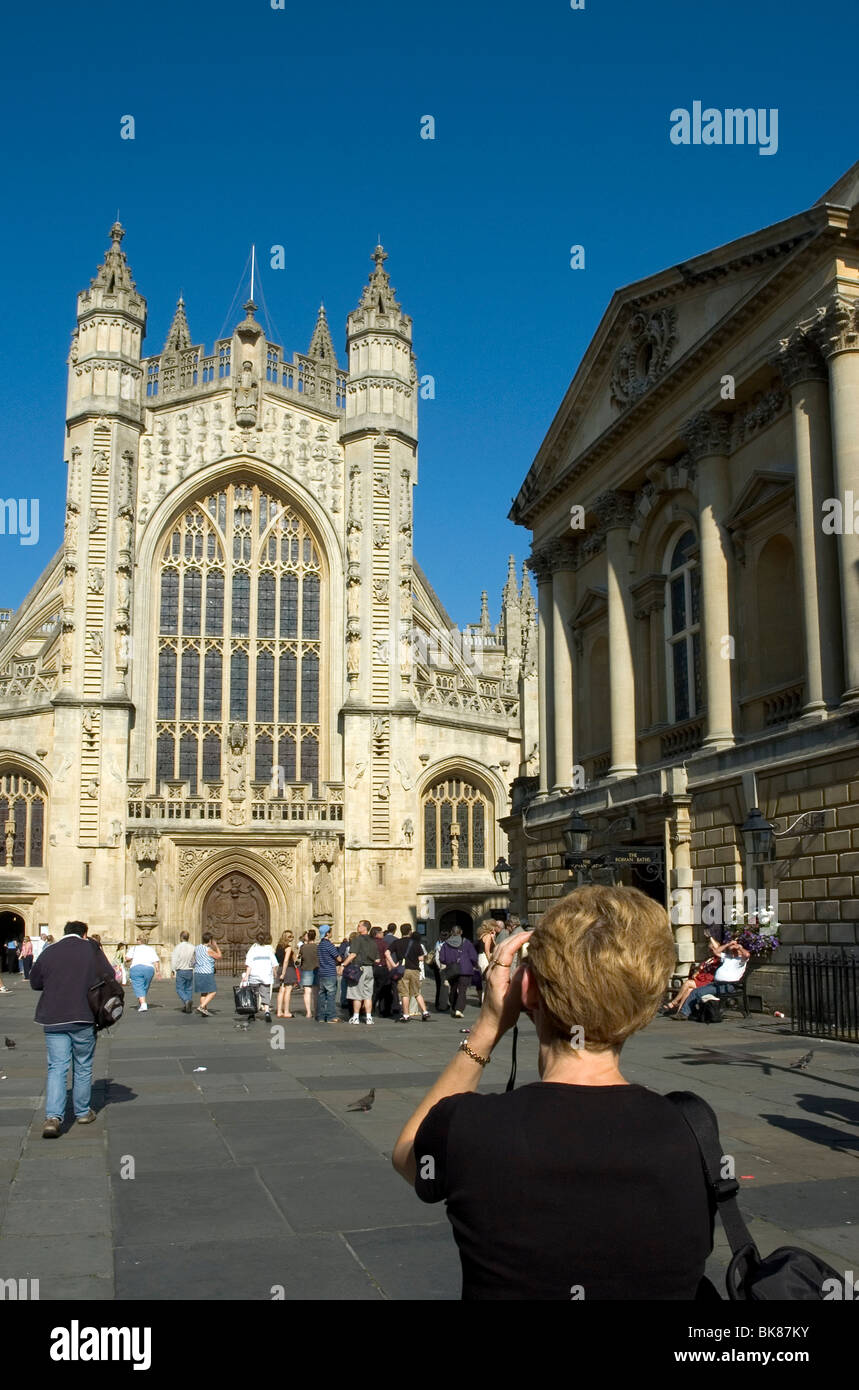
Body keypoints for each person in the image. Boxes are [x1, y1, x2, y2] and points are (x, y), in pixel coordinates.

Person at [392, 886, 713, 1300]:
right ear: (647, 1002)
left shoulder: (473, 1127)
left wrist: (488, 1027)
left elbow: (408, 1154)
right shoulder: (693, 1127)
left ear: (527, 992)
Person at [30, 920, 114, 1139]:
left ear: (64, 933)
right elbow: (109, 974)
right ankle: (83, 1112)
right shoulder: (91, 948)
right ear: (84, 934)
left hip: (53, 1017)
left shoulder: (50, 950)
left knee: (56, 1067)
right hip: (83, 1015)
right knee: (83, 1065)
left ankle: (53, 1118)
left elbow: (35, 982)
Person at [660, 925, 732, 1017]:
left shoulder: (718, 959)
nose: (710, 950)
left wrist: (710, 937)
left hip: (707, 981)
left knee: (688, 984)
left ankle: (673, 1003)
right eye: (710, 949)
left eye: (712, 949)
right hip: (700, 979)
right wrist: (697, 972)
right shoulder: (708, 959)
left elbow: (716, 949)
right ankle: (680, 1011)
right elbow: (700, 968)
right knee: (689, 990)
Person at [674, 940, 751, 1020]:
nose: (732, 951)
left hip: (728, 985)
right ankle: (685, 1013)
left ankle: (684, 1013)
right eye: (731, 950)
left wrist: (740, 947)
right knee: (695, 991)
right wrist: (728, 944)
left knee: (698, 992)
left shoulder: (741, 960)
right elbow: (716, 952)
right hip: (717, 984)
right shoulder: (727, 957)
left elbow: (747, 954)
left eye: (734, 950)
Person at [341, 920, 379, 1025]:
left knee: (356, 994)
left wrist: (343, 965)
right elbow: (377, 960)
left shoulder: (357, 940)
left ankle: (356, 1017)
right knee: (368, 995)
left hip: (359, 968)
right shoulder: (373, 941)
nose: (357, 927)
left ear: (364, 928)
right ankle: (368, 1017)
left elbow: (353, 954)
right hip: (369, 969)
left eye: (359, 925)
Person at [439, 928, 479, 1019]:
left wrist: (450, 962)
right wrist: (474, 964)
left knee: (453, 989)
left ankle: (453, 1007)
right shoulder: (467, 943)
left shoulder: (446, 944)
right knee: (462, 990)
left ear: (451, 933)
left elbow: (442, 959)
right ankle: (459, 1009)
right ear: (461, 932)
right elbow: (473, 957)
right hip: (465, 969)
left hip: (452, 970)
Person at [397, 928, 433, 1023]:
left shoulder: (401, 943)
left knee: (405, 993)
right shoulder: (418, 945)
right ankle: (425, 1012)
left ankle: (406, 1014)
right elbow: (421, 958)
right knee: (417, 993)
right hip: (415, 970)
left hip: (404, 969)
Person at [243, 931, 280, 1023]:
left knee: (253, 994)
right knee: (265, 993)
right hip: (266, 975)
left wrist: (246, 976)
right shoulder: (268, 950)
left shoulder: (253, 950)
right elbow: (275, 963)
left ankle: (252, 1013)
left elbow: (249, 964)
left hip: (254, 975)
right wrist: (274, 972)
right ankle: (267, 1012)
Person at [127, 936, 162, 1012]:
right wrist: (158, 971)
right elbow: (156, 961)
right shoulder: (151, 949)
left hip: (136, 968)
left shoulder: (134, 948)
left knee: (138, 986)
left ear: (139, 941)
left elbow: (127, 958)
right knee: (144, 986)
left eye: (137, 940)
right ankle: (141, 1001)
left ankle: (143, 1004)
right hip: (149, 969)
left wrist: (130, 958)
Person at [316, 926, 342, 1023]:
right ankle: (331, 1016)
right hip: (330, 972)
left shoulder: (320, 945)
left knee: (322, 995)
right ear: (327, 933)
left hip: (322, 972)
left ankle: (321, 1016)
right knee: (331, 995)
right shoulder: (329, 945)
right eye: (330, 932)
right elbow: (338, 958)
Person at [194, 931, 222, 1015]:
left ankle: (204, 1010)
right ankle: (201, 1007)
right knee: (213, 991)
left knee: (204, 992)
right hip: (206, 972)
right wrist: (216, 946)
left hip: (198, 972)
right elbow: (219, 956)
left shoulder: (197, 947)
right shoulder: (208, 950)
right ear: (210, 940)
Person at [171, 931, 196, 1013]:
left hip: (181, 970)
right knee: (188, 988)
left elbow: (174, 959)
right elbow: (194, 959)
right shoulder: (192, 947)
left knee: (179, 989)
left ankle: (186, 1001)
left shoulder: (178, 947)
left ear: (181, 937)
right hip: (189, 970)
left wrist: (172, 970)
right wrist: (193, 967)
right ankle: (187, 1006)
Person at [297, 928, 320, 1019]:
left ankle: (308, 1012)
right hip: (316, 969)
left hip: (306, 969)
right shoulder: (317, 947)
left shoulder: (303, 947)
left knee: (307, 991)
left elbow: (298, 957)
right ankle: (316, 1011)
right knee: (316, 992)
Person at [276, 930, 297, 1018]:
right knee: (288, 990)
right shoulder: (288, 948)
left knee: (281, 990)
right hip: (288, 969)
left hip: (280, 968)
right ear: (288, 938)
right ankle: (286, 1011)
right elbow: (286, 960)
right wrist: (284, 973)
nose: (292, 938)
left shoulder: (278, 947)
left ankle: (279, 1011)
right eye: (291, 937)